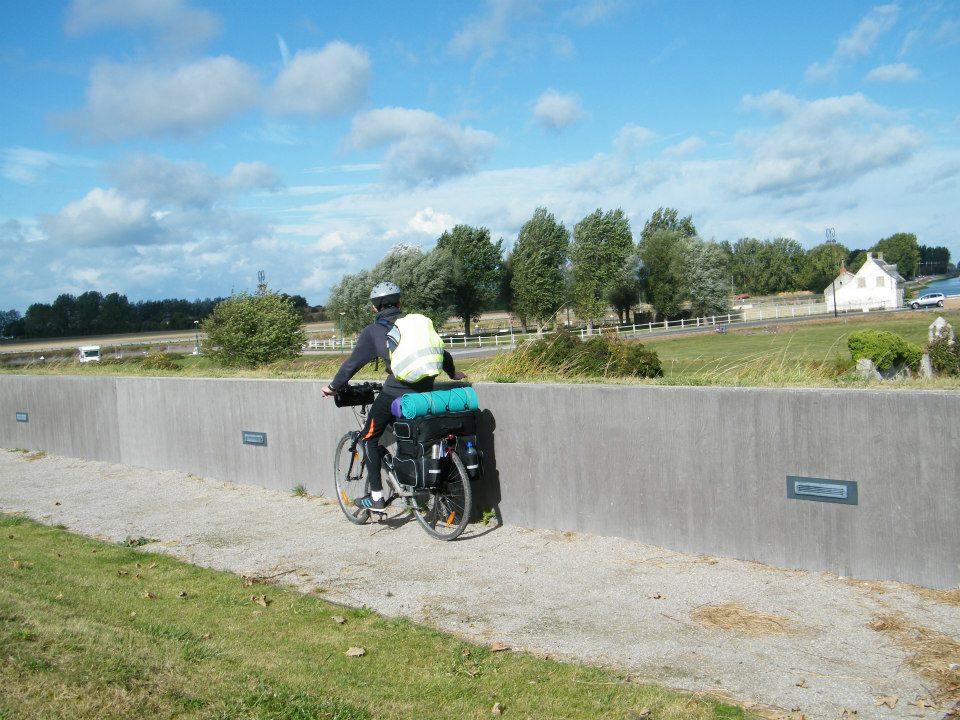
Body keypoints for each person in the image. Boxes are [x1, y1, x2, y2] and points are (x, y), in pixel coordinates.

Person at [322, 282, 465, 512]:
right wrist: (453, 373)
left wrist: (333, 387)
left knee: (368, 438)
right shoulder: (414, 325)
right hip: (425, 391)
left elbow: (352, 364)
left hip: (396, 392)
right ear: (399, 303)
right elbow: (441, 351)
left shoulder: (373, 331)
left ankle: (377, 498)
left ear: (374, 308)